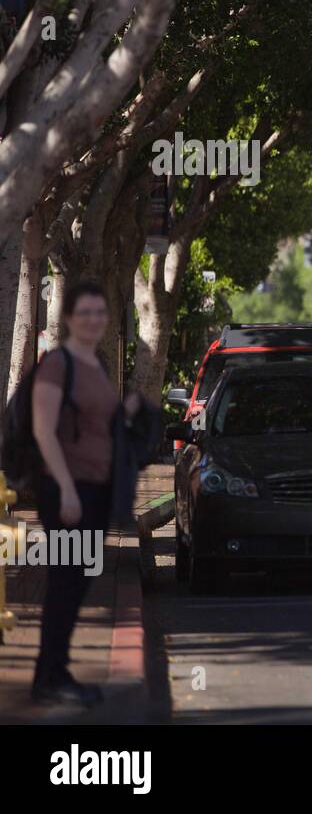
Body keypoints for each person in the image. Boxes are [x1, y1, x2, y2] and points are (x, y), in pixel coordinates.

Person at [29, 280, 151, 707]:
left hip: (95, 490)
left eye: (100, 312)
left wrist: (129, 411)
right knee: (66, 582)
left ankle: (54, 671)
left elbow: (98, 423)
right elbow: (43, 429)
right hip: (67, 490)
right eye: (86, 312)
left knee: (77, 582)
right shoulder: (58, 365)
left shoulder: (94, 365)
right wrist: (65, 488)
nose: (94, 319)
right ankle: (49, 677)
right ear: (68, 318)